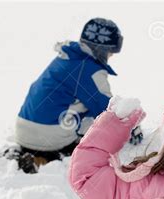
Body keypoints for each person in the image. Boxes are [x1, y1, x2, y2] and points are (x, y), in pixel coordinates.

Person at [9, 18, 143, 174]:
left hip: (23, 127)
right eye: (110, 51)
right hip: (50, 134)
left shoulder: (66, 58)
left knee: (78, 108)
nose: (111, 56)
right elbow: (106, 109)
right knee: (94, 123)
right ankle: (51, 156)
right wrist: (130, 127)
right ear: (101, 49)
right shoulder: (89, 70)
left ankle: (33, 151)